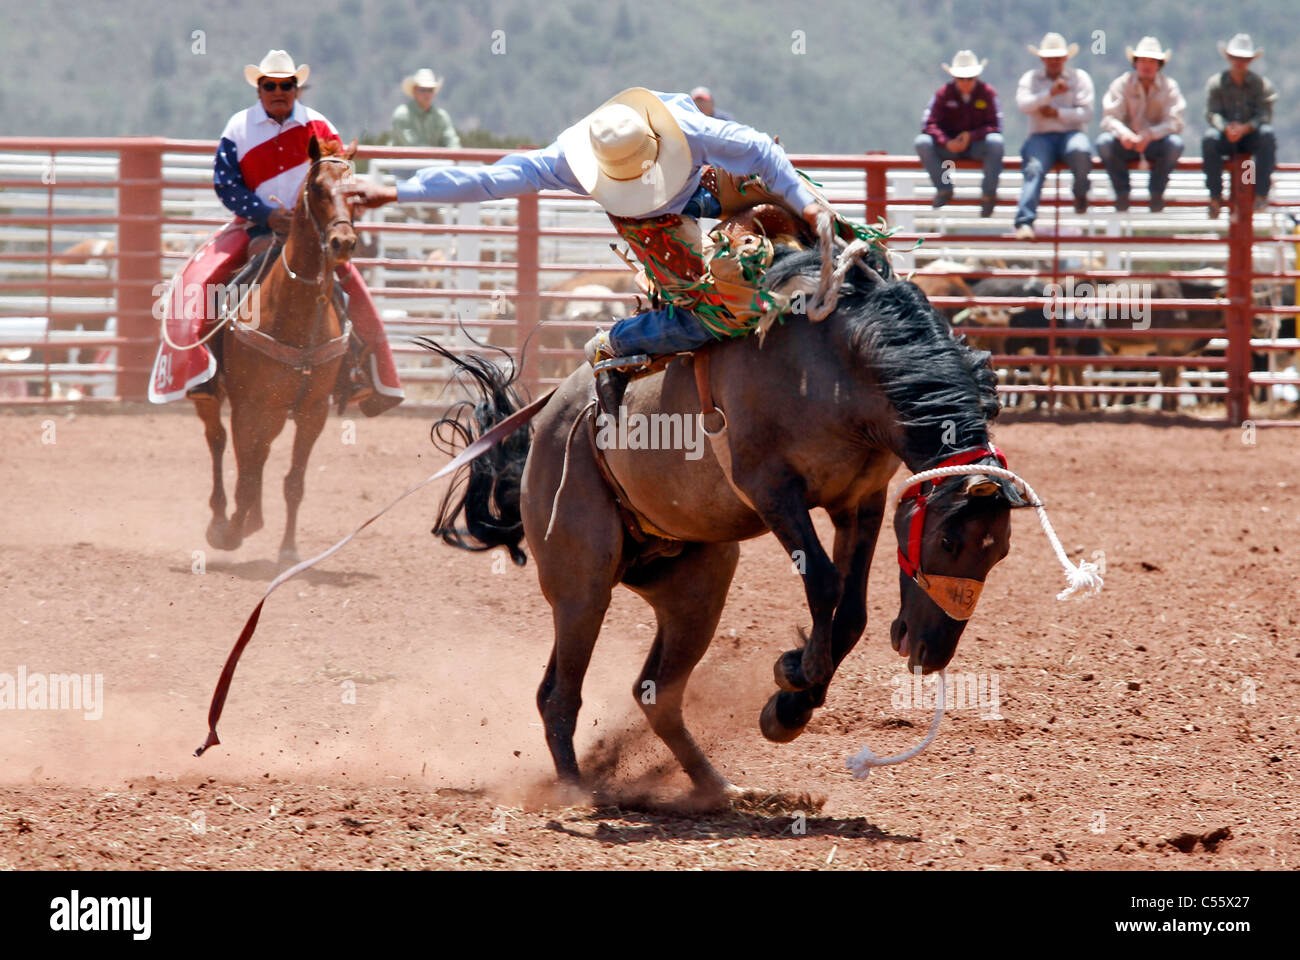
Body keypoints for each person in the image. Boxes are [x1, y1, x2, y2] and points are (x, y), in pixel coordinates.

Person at [345, 87, 843, 368]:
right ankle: (621, 339)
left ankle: (853, 274)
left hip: (702, 182)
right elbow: (485, 180)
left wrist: (808, 206)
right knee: (721, 310)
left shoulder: (693, 129)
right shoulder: (567, 160)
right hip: (652, 224)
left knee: (810, 210)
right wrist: (396, 191)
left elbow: (760, 150)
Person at [204, 49, 403, 414]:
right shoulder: (238, 128)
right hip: (256, 230)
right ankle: (209, 367)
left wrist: (326, 222)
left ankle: (357, 370)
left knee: (350, 294)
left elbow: (341, 181)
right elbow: (226, 185)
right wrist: (265, 214)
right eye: (271, 85)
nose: (279, 91)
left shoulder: (321, 128)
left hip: (315, 234)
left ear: (297, 88)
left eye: (286, 85)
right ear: (259, 89)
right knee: (214, 286)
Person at [1013, 33, 1095, 240]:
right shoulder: (1030, 79)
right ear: (1042, 59)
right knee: (1034, 168)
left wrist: (1058, 113)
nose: (1054, 61)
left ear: (1065, 58)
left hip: (1071, 134)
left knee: (1081, 151)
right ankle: (1025, 221)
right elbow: (1023, 105)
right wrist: (1049, 94)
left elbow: (1087, 113)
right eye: (1050, 57)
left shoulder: (1079, 78)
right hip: (1041, 136)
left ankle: (1080, 191)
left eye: (1057, 57)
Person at [1096, 36, 1185, 212]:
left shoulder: (1170, 87)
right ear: (1135, 63)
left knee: (1175, 144)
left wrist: (1150, 134)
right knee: (1104, 143)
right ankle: (1122, 192)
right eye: (1143, 60)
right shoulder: (1121, 84)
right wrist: (1124, 134)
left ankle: (1157, 192)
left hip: (1156, 143)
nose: (1147, 65)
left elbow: (1175, 121)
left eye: (1152, 61)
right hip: (1126, 143)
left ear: (1159, 65)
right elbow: (1109, 118)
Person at [914, 49, 1004, 217]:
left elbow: (996, 125)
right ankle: (944, 188)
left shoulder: (987, 94)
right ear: (954, 78)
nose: (965, 82)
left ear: (976, 77)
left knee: (996, 143)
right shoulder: (943, 94)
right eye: (961, 78)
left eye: (969, 78)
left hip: (977, 146)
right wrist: (946, 142)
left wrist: (972, 136)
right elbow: (928, 124)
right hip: (948, 147)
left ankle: (988, 195)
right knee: (922, 143)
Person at [1203, 34, 1277, 218]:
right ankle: (1215, 196)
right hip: (1226, 137)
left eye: (1243, 59)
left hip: (1250, 138)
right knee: (1209, 140)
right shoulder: (1217, 83)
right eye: (1236, 58)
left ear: (1250, 61)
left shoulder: (1260, 85)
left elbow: (1264, 115)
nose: (1239, 62)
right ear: (1229, 58)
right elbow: (1212, 113)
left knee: (1267, 136)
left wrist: (1245, 128)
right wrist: (1226, 128)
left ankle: (1261, 193)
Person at [391, 68, 461, 148]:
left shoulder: (441, 116)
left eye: (430, 90)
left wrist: (453, 153)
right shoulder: (402, 115)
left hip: (435, 159)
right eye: (423, 90)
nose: (427, 94)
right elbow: (411, 145)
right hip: (401, 160)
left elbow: (452, 141)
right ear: (414, 91)